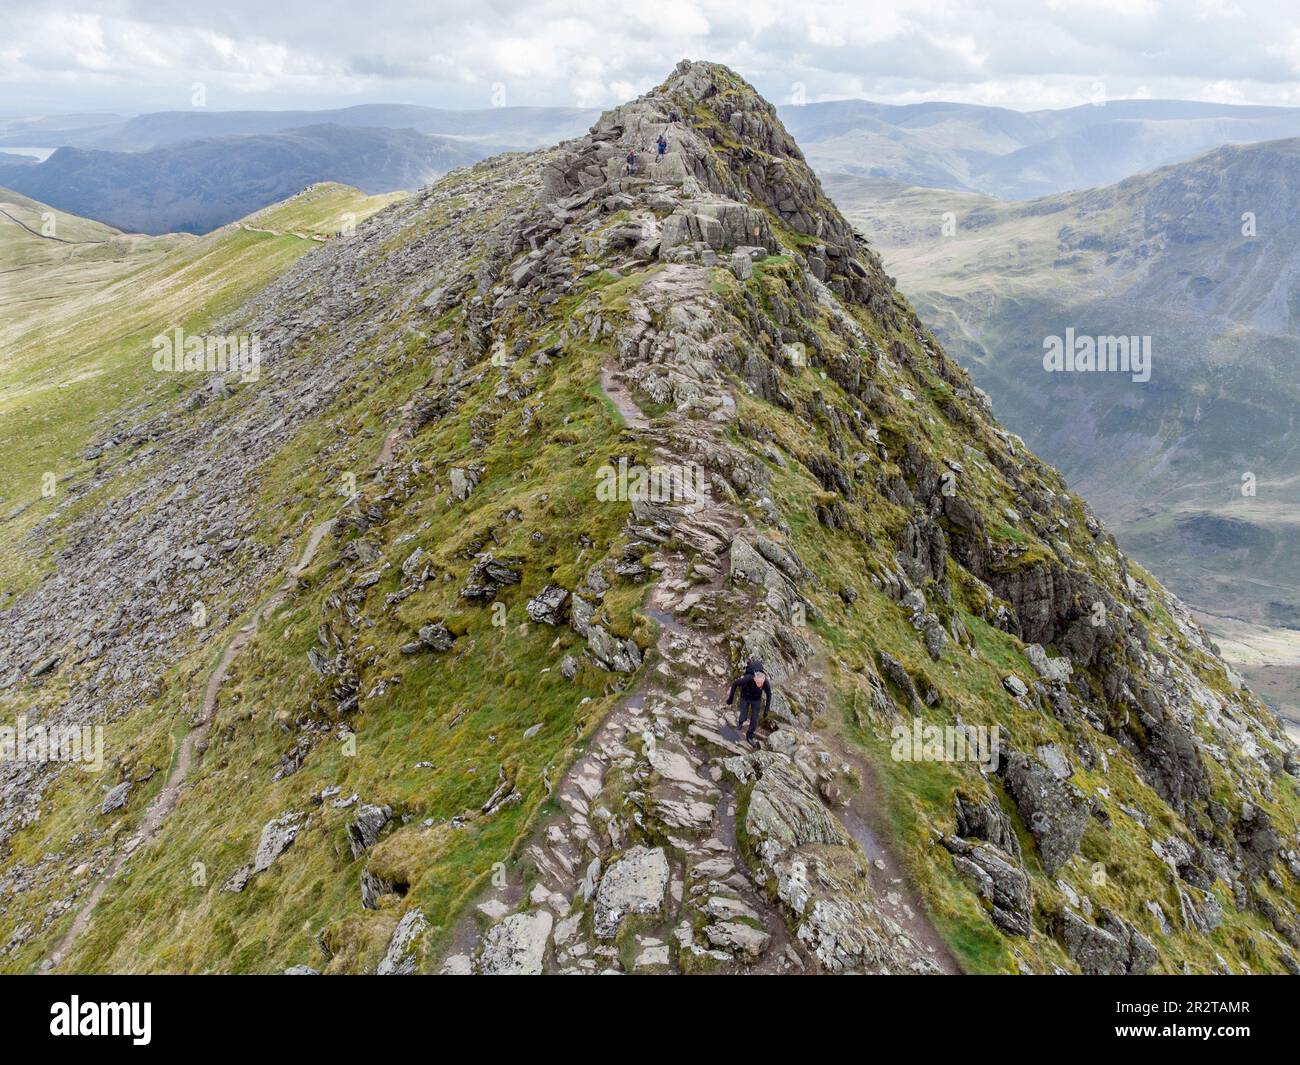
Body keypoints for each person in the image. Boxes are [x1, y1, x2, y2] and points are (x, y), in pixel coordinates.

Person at [725, 658, 772, 747]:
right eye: (758, 683)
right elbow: (735, 684)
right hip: (745, 696)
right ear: (754, 679)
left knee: (754, 719)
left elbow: (769, 694)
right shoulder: (748, 678)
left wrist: (766, 709)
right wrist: (730, 699)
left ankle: (749, 735)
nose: (760, 685)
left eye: (761, 684)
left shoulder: (765, 682)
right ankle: (741, 722)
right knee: (743, 714)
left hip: (756, 699)